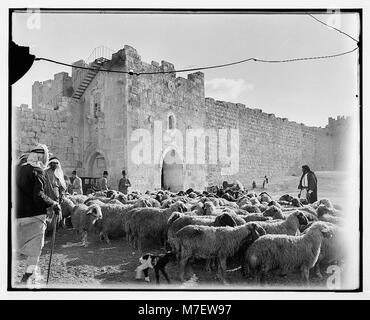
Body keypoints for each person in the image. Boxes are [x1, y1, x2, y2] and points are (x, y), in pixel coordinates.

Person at [15, 144, 62, 285]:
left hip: (17, 216)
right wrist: (54, 204)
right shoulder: (37, 171)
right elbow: (38, 196)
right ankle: (26, 278)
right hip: (34, 218)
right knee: (35, 252)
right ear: (42, 156)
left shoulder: (18, 169)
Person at [44, 157, 66, 231]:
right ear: (50, 163)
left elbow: (62, 186)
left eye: (56, 163)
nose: (54, 165)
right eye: (53, 163)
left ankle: (55, 227)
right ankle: (47, 229)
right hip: (47, 193)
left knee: (56, 211)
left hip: (57, 194)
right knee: (48, 212)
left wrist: (62, 195)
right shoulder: (45, 172)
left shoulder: (59, 172)